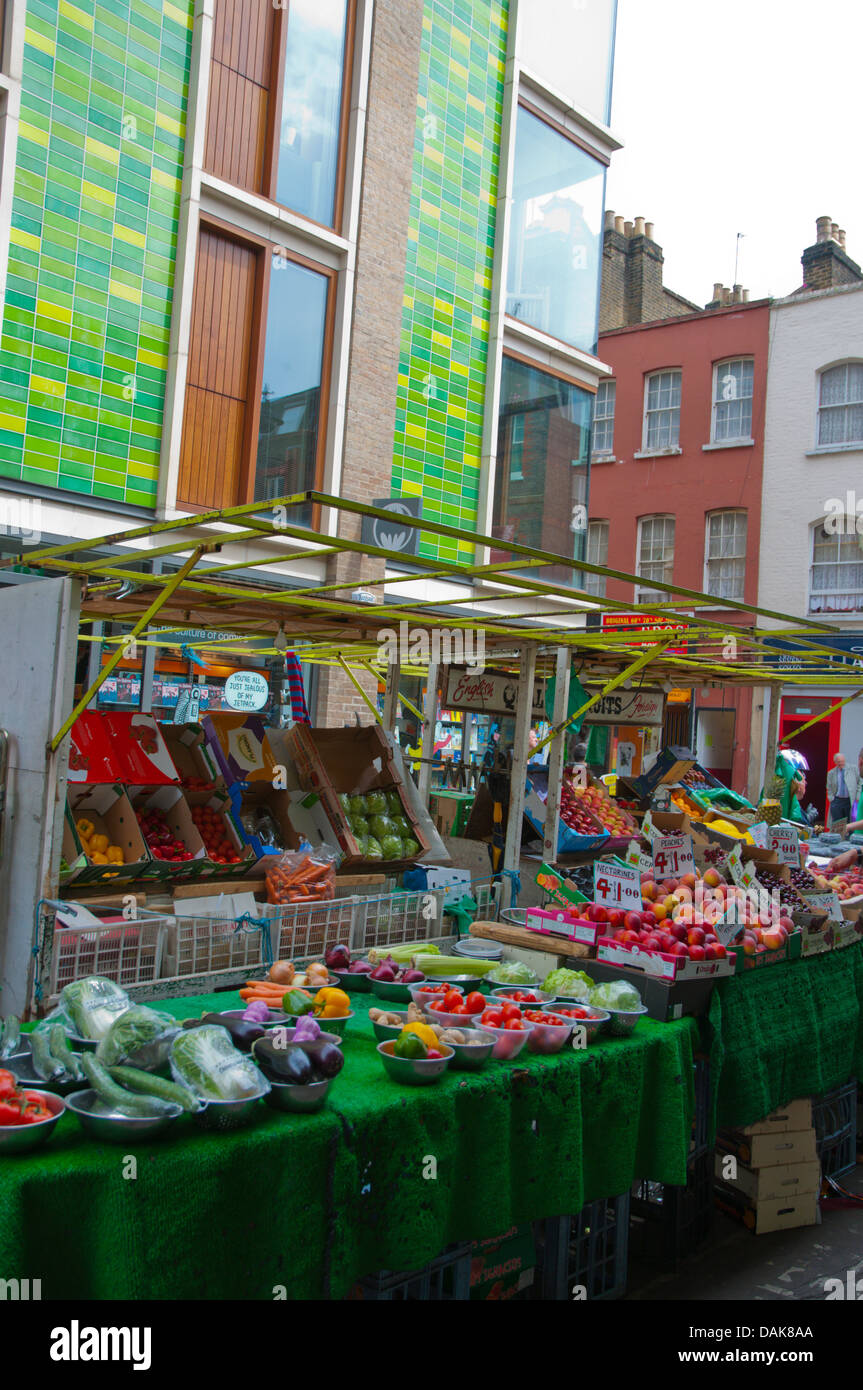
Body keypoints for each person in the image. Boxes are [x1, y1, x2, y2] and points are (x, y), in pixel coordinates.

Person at [826, 752, 860, 830]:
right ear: (835, 762)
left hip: (849, 800)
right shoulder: (831, 773)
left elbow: (860, 781)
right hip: (837, 801)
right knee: (837, 824)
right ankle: (838, 839)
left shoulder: (853, 769)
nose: (841, 763)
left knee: (850, 822)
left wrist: (857, 796)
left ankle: (848, 839)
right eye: (839, 762)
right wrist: (831, 798)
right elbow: (829, 787)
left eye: (842, 761)